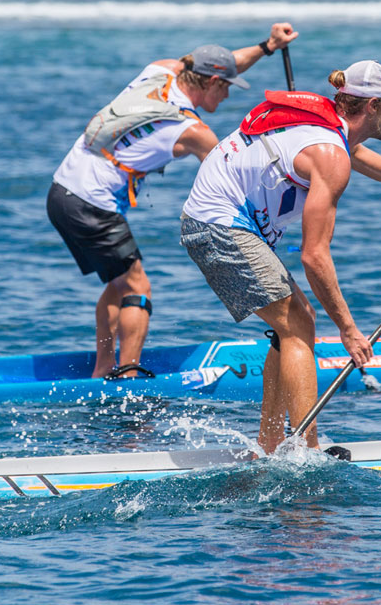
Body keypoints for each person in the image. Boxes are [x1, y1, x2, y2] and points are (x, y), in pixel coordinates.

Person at [179, 60, 381, 453]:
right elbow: (314, 256)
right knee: (299, 323)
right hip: (219, 225)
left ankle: (269, 445)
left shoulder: (326, 130)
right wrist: (349, 330)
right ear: (373, 106)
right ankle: (307, 452)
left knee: (294, 325)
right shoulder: (330, 153)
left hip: (214, 220)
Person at [48, 23, 299, 379]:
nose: (228, 96)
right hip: (92, 204)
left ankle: (103, 371)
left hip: (62, 191)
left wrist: (268, 46)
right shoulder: (194, 131)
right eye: (226, 87)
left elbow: (223, 62)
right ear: (212, 83)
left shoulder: (162, 70)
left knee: (119, 283)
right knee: (138, 287)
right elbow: (233, 177)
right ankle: (128, 378)